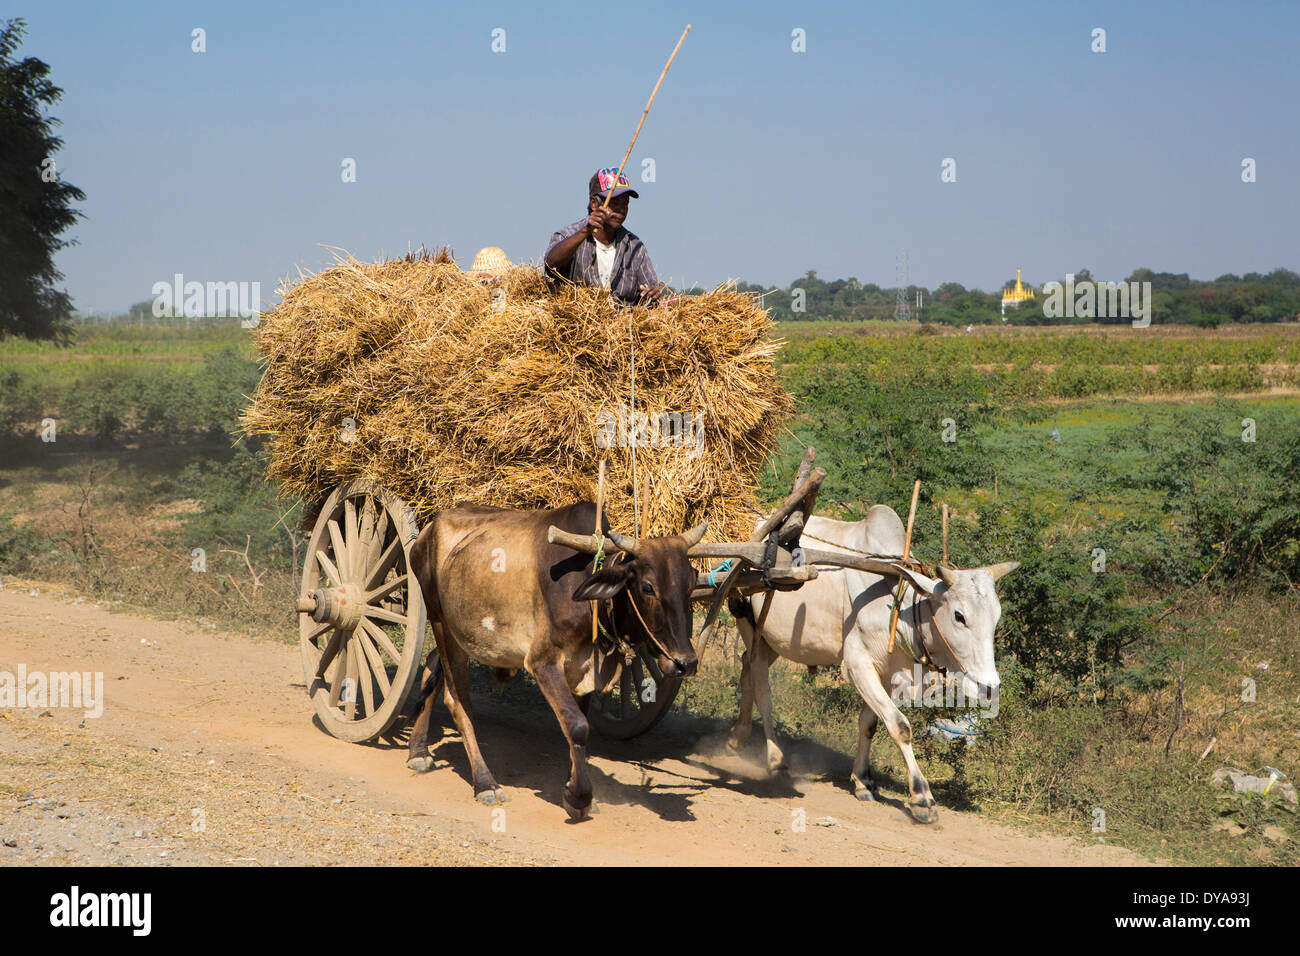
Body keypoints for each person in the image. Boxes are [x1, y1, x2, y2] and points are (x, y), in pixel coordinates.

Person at [544, 167, 664, 306]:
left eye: (625, 203)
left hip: (622, 325)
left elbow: (650, 290)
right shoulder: (569, 235)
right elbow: (550, 263)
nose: (621, 209)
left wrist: (652, 295)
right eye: (614, 203)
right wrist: (586, 231)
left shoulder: (634, 247)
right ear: (594, 203)